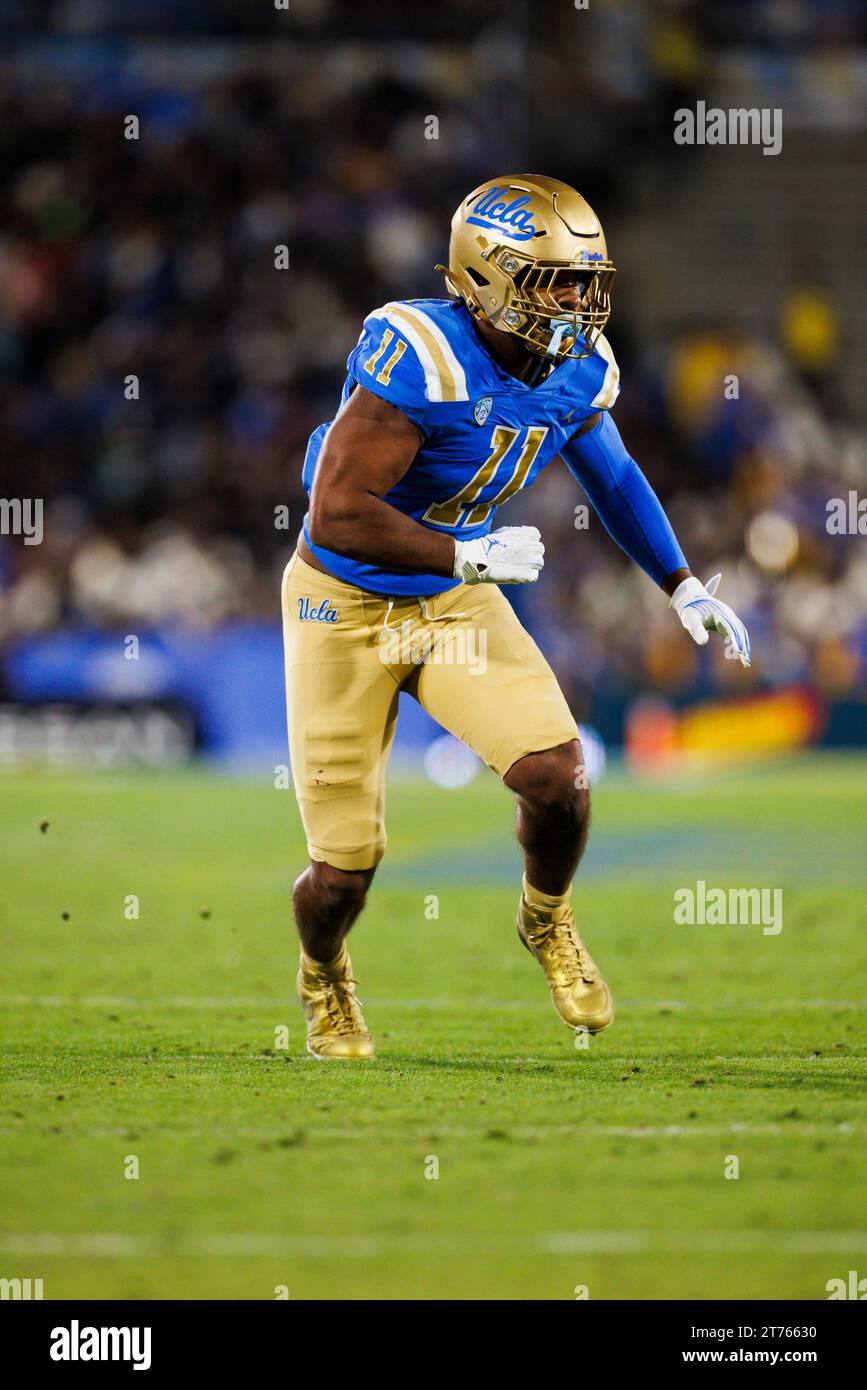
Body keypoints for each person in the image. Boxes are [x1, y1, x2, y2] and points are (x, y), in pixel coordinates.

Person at [282, 174, 750, 1059]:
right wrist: (462, 552)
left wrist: (680, 582)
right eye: (554, 280)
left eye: (586, 279)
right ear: (486, 276)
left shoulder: (576, 363)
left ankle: (546, 919)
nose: (578, 300)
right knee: (342, 874)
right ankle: (324, 974)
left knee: (558, 778)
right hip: (338, 601)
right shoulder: (419, 350)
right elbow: (335, 512)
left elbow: (610, 475)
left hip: (453, 596)